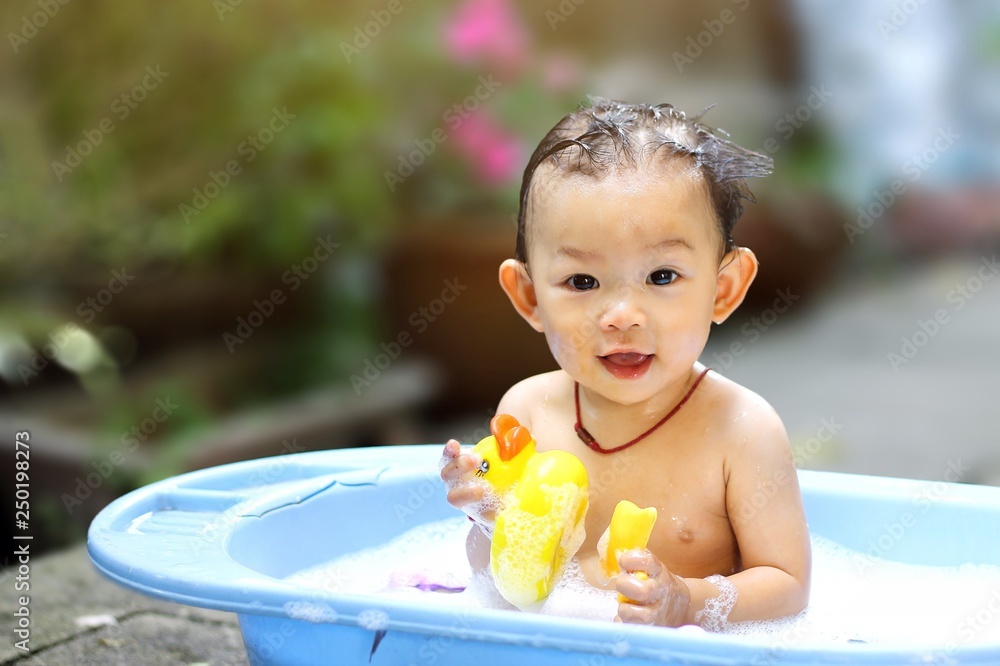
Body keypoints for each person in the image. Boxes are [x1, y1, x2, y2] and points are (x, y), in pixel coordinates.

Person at [440, 98, 811, 629]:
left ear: (724, 289)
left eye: (661, 276)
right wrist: (486, 517)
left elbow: (787, 585)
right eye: (582, 281)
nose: (621, 316)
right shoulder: (528, 411)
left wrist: (688, 601)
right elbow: (497, 581)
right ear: (529, 297)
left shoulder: (743, 432)